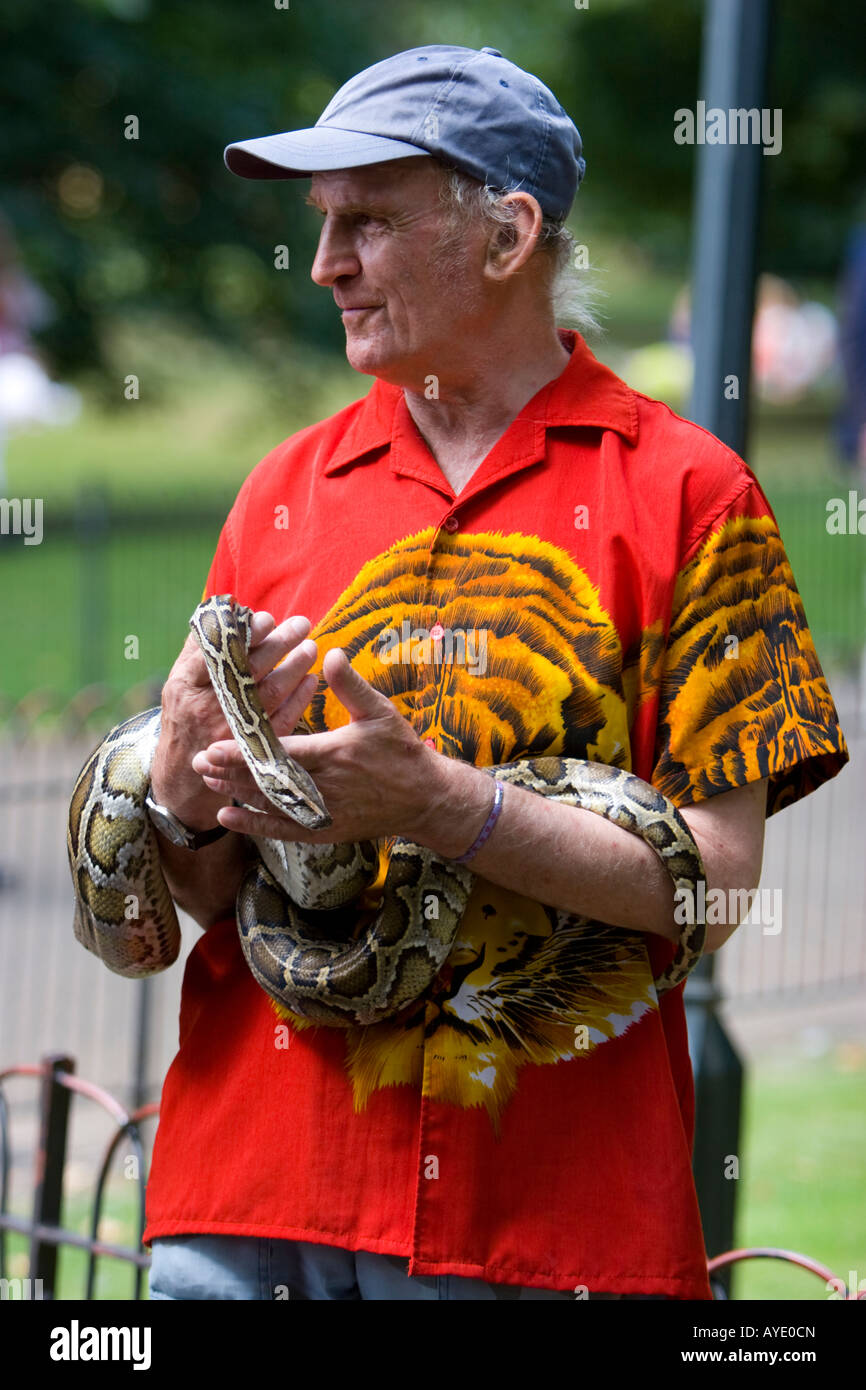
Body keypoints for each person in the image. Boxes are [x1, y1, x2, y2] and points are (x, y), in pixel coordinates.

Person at [137, 45, 848, 1300]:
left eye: (367, 220)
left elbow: (715, 887)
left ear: (508, 235)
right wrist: (180, 799)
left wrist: (439, 804)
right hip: (255, 1202)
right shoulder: (280, 494)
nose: (325, 263)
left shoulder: (694, 497)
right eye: (322, 223)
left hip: (540, 1226)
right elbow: (212, 896)